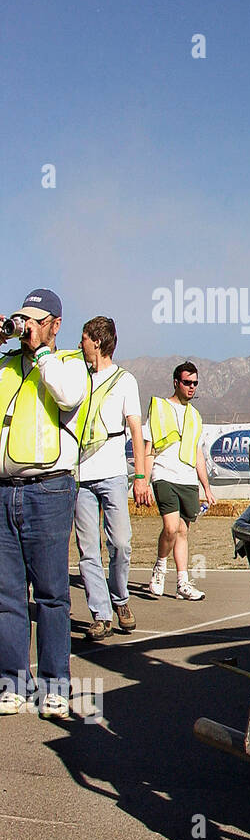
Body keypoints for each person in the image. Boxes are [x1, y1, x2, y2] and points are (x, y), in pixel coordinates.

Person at [0, 289, 88, 720]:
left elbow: (68, 396)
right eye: (22, 321)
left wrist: (42, 353)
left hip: (49, 489)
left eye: (36, 321)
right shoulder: (4, 366)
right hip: (3, 490)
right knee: (6, 594)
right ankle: (12, 682)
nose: (26, 328)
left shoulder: (70, 364)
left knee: (52, 594)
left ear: (55, 324)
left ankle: (55, 685)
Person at [74, 317, 151, 639]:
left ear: (98, 341)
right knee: (88, 550)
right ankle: (101, 614)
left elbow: (135, 428)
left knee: (120, 543)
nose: (79, 344)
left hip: (112, 473)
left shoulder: (124, 380)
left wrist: (140, 476)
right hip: (79, 476)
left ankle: (120, 599)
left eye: (83, 339)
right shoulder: (76, 376)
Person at [142, 361, 214, 601]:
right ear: (176, 382)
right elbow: (149, 446)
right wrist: (142, 480)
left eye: (195, 383)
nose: (191, 387)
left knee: (183, 531)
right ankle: (160, 568)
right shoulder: (160, 408)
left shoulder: (195, 416)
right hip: (164, 475)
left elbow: (198, 453)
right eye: (187, 382)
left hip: (187, 479)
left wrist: (206, 487)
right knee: (171, 527)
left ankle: (182, 583)